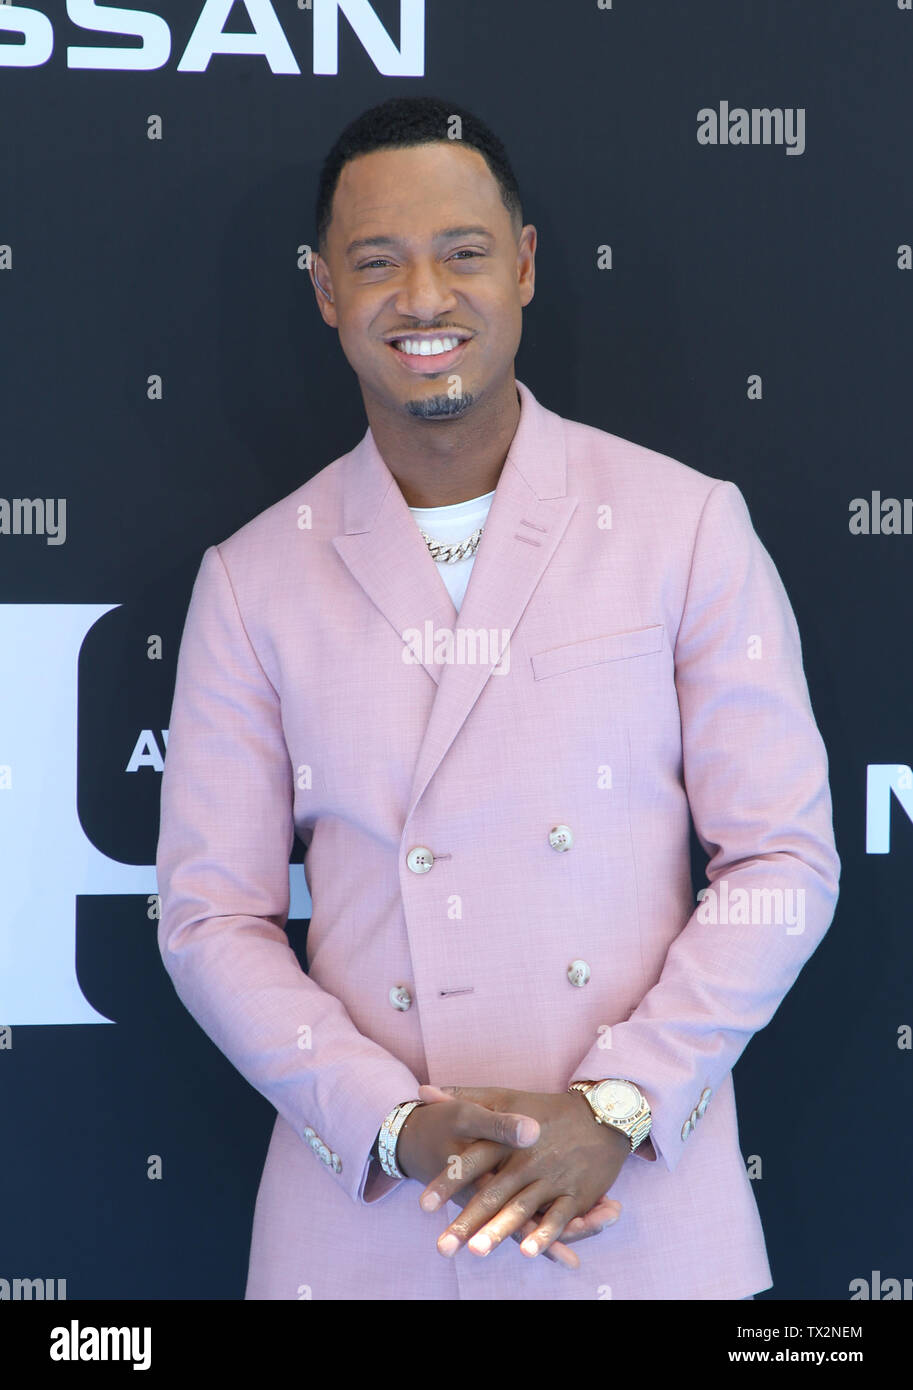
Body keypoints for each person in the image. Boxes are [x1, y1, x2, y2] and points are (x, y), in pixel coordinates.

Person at [155, 94, 840, 1300]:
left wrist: (618, 1103)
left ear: (522, 266)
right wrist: (392, 1123)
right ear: (325, 292)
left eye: (462, 253)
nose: (423, 297)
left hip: (641, 1211)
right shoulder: (252, 579)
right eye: (377, 263)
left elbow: (783, 860)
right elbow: (212, 918)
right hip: (370, 1224)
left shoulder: (682, 527)